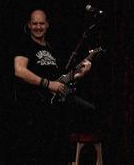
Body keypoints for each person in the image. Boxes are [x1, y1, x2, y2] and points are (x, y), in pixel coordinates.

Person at [11, 9, 92, 164]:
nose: (38, 27)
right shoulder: (25, 44)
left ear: (47, 25)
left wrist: (81, 73)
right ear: (29, 25)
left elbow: (61, 81)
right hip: (32, 111)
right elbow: (19, 70)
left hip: (52, 112)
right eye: (34, 23)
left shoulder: (50, 48)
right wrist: (47, 84)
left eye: (41, 23)